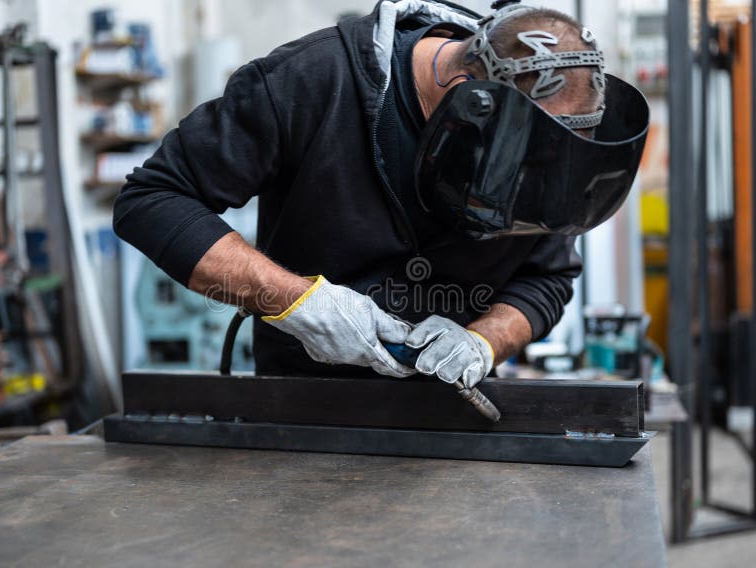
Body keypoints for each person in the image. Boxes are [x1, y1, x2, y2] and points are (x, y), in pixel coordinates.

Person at [113, 1, 648, 391]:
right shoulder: (315, 82)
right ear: (470, 101)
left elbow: (548, 275)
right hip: (301, 410)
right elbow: (154, 199)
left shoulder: (545, 138)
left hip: (454, 412)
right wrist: (298, 303)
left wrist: (482, 342)